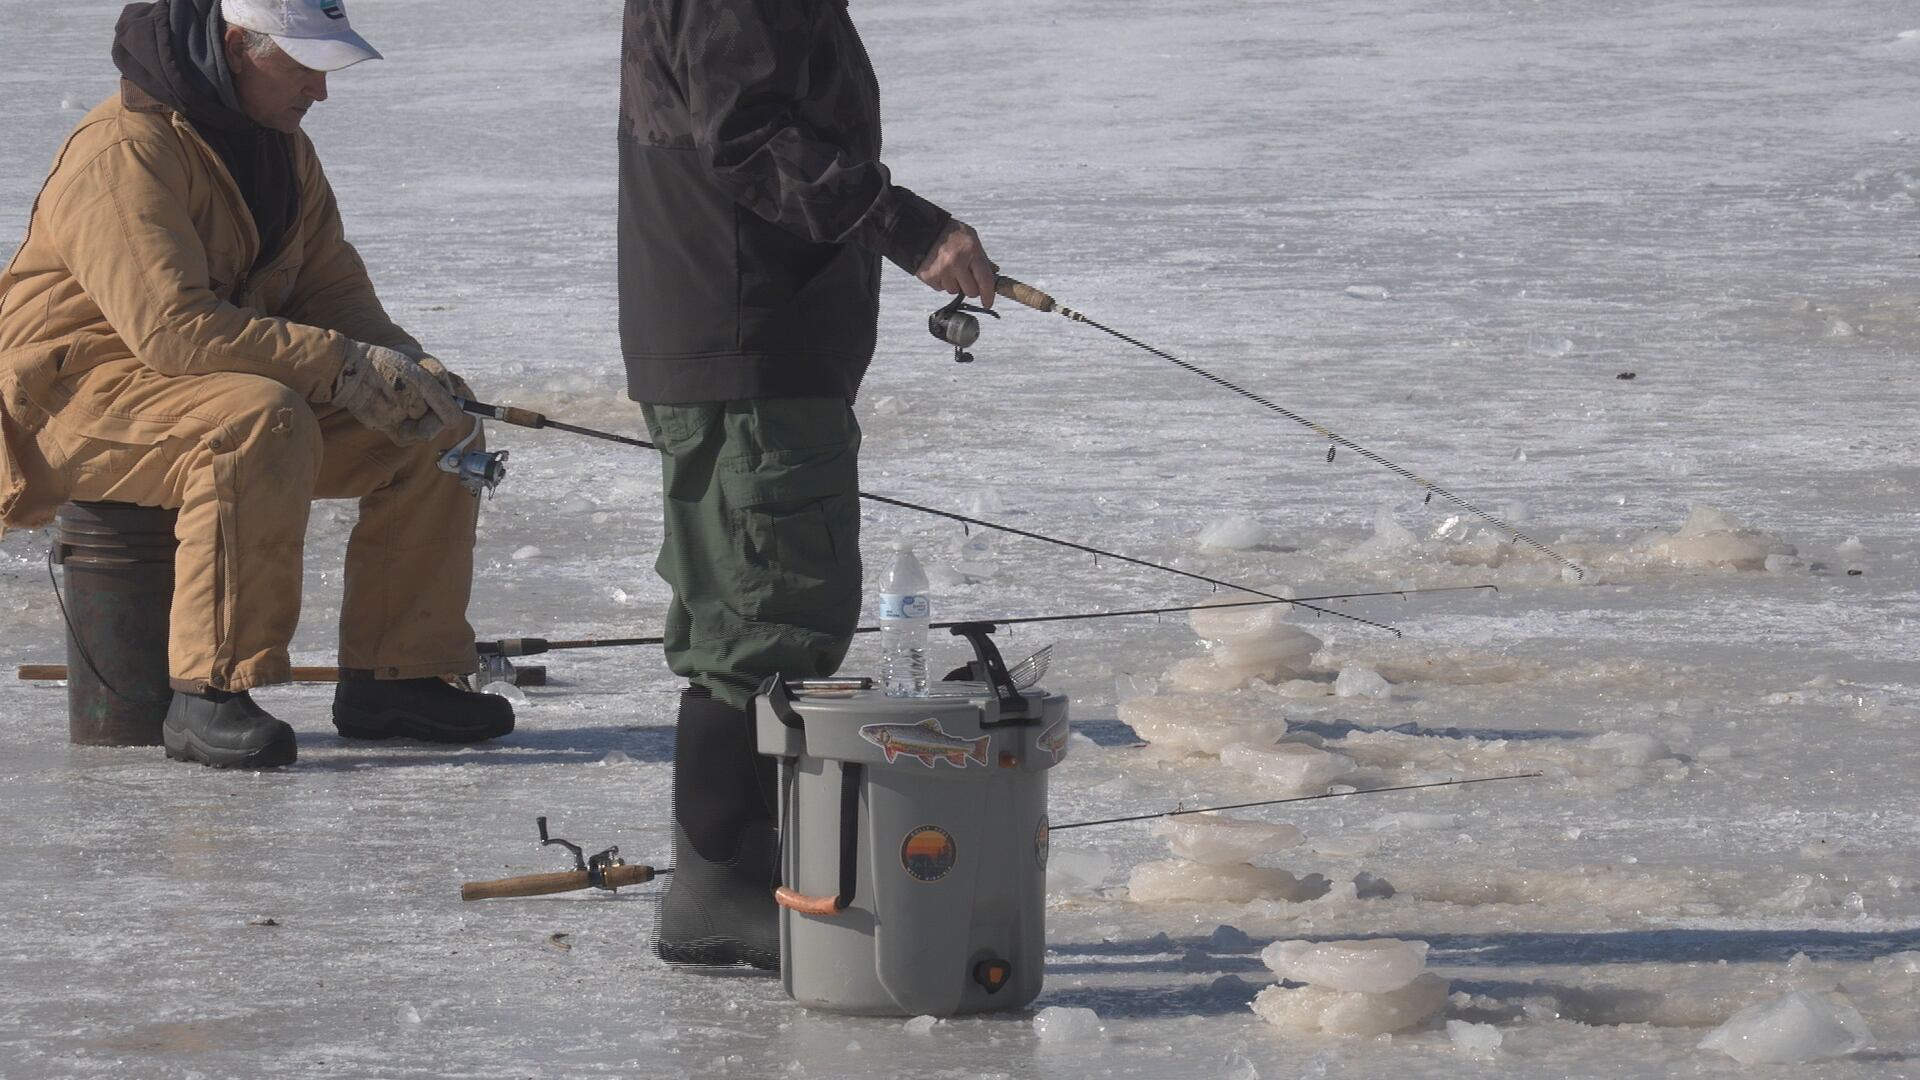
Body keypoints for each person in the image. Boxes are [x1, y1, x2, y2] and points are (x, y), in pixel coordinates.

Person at [0, 0, 513, 770]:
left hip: (192, 385)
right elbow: (174, 331)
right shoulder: (124, 151)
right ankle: (209, 691)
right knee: (257, 419)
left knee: (437, 426)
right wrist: (341, 365)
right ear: (238, 45)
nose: (321, 89)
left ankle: (396, 676)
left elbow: (332, 292)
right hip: (71, 403)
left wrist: (406, 365)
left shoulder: (279, 146)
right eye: (305, 65)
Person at [619, 0, 1000, 968]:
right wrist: (906, 226)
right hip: (747, 335)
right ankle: (720, 885)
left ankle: (739, 872)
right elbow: (747, 135)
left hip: (750, 336)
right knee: (765, 608)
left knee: (756, 605)